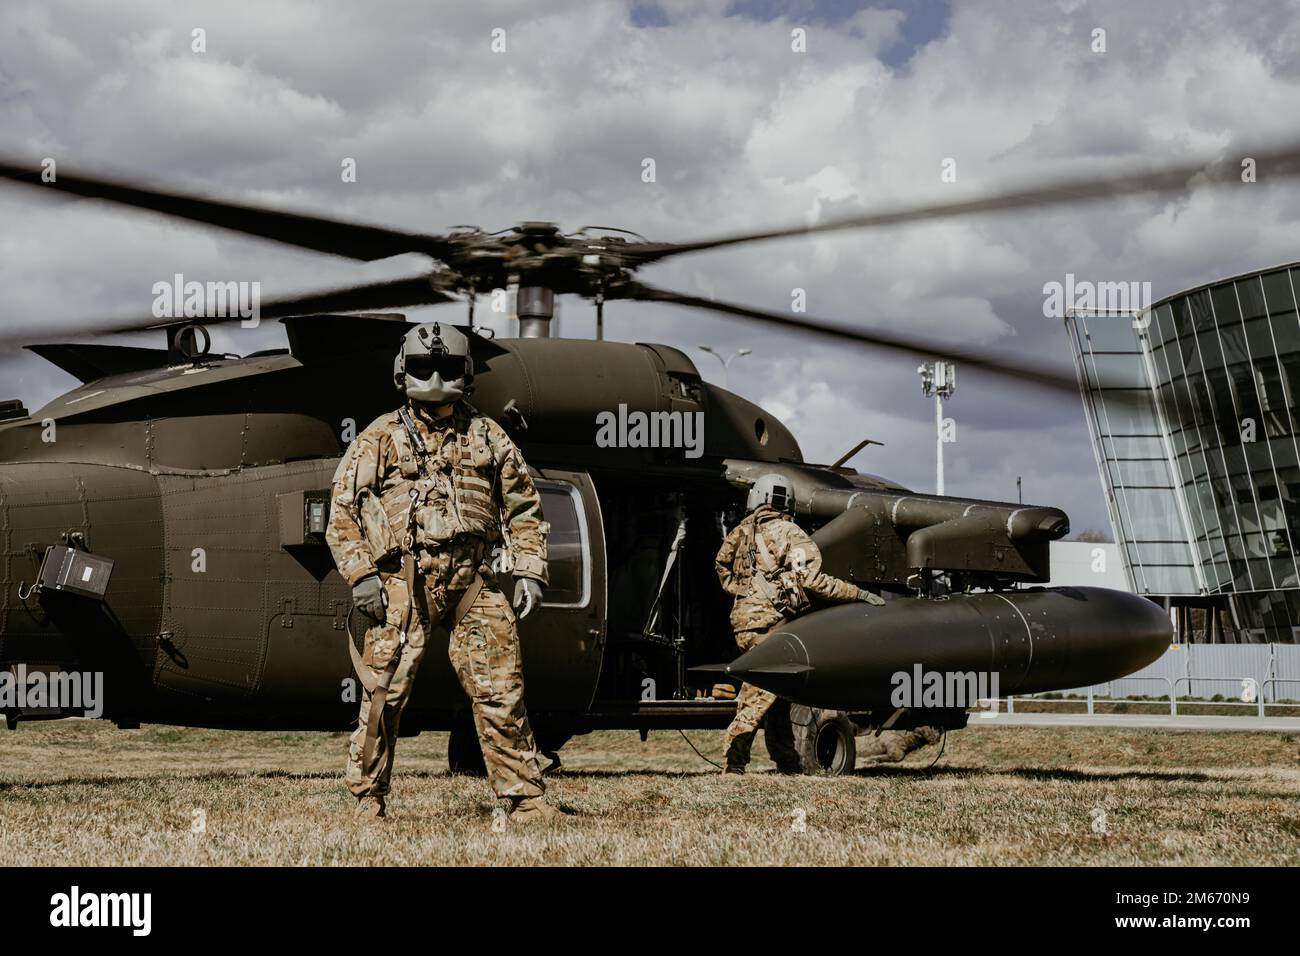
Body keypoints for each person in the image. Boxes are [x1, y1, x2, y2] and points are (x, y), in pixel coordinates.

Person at [326, 321, 560, 824]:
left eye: (448, 367)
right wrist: (363, 575)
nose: (435, 376)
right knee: (382, 693)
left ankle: (525, 799)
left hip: (472, 581)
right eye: (423, 367)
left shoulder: (488, 436)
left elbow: (524, 508)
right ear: (402, 373)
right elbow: (343, 511)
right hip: (401, 584)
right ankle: (368, 798)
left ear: (467, 374)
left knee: (501, 689)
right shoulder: (379, 438)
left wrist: (529, 570)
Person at [715, 473, 884, 774]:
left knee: (778, 692)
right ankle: (733, 762)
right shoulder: (789, 532)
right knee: (757, 696)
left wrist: (743, 592)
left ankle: (787, 760)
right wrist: (857, 593)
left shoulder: (740, 531)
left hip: (741, 622)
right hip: (770, 625)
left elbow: (721, 565)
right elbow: (813, 580)